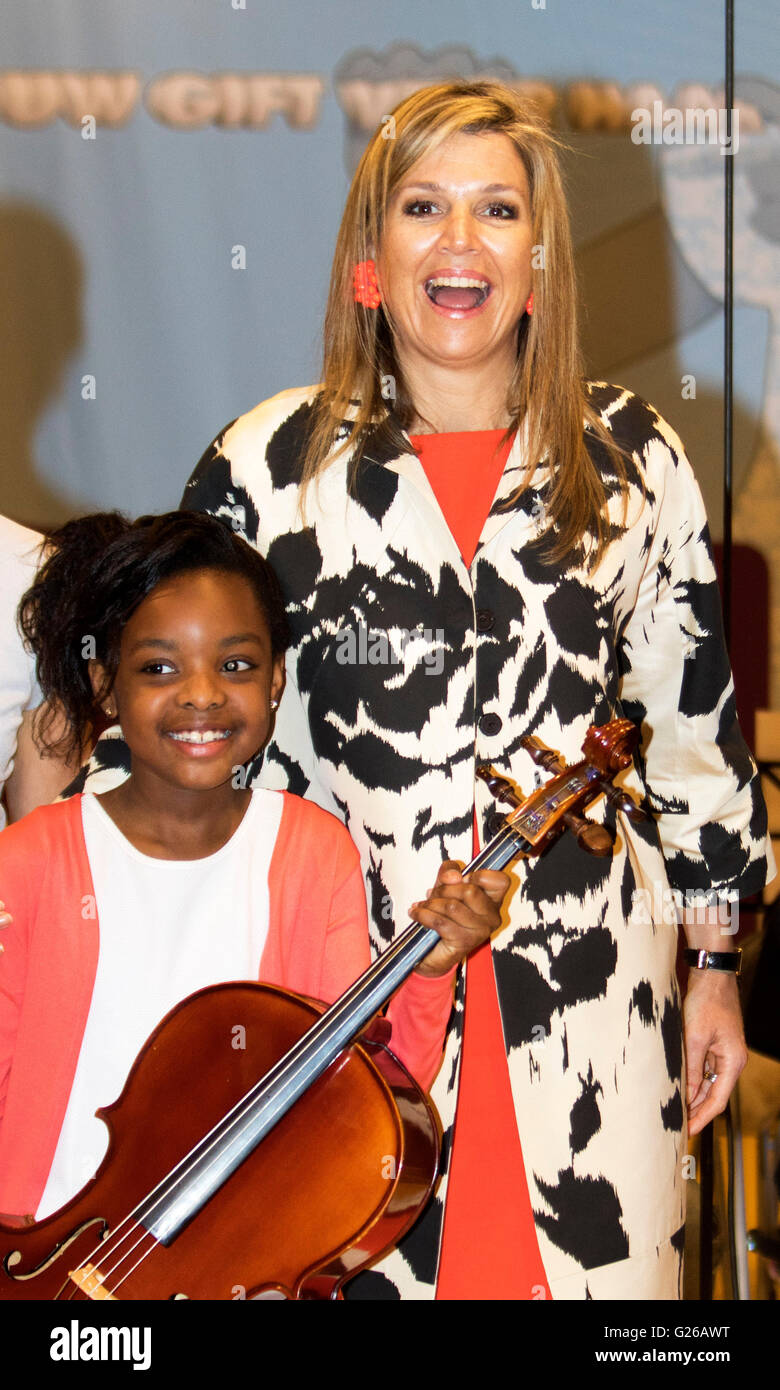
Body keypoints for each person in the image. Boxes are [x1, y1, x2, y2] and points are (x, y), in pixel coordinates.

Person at [82, 81, 771, 1299]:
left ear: (539, 255)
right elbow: (186, 748)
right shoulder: (264, 467)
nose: (460, 243)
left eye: (497, 209)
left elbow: (693, 737)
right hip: (345, 1027)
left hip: (598, 1015)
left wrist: (715, 971)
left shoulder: (633, 460)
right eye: (423, 207)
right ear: (371, 252)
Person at [0, 509, 508, 1227]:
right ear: (106, 687)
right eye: (158, 668)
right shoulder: (26, 861)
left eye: (235, 665)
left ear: (275, 680)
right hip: (49, 1262)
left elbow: (360, 1095)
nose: (202, 694)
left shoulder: (312, 851)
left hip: (245, 1257)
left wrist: (429, 971)